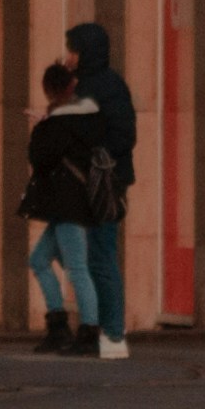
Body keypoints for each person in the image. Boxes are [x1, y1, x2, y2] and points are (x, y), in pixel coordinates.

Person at [21, 60, 108, 355]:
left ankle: (88, 332)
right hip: (71, 206)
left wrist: (42, 125)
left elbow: (39, 156)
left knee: (76, 268)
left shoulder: (60, 121)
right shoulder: (84, 118)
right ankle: (59, 326)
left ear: (48, 89)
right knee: (39, 260)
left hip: (67, 206)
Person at [61, 22, 136, 360]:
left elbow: (124, 135)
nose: (68, 57)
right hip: (83, 184)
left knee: (102, 257)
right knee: (87, 257)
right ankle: (100, 329)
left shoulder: (109, 87)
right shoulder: (83, 85)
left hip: (104, 185)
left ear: (86, 52)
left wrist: (90, 147)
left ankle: (114, 333)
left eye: (73, 50)